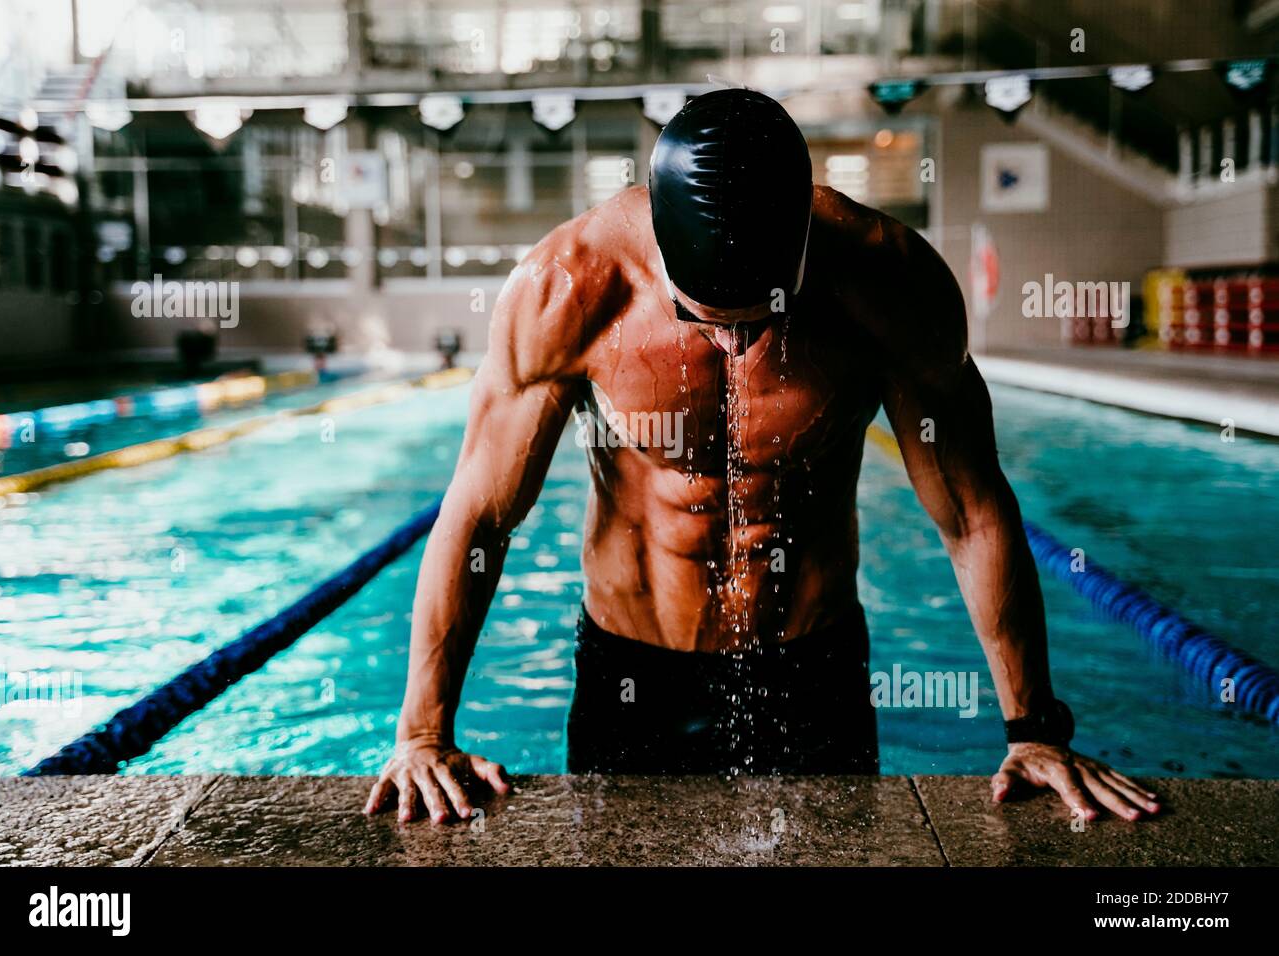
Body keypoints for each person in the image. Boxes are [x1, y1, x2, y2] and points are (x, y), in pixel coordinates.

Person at [364, 88, 1160, 825]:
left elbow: (972, 512)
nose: (732, 344)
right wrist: (423, 733)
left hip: (814, 670)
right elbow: (479, 513)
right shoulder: (571, 287)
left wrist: (1034, 728)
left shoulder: (891, 283)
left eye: (757, 320)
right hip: (633, 674)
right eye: (703, 319)